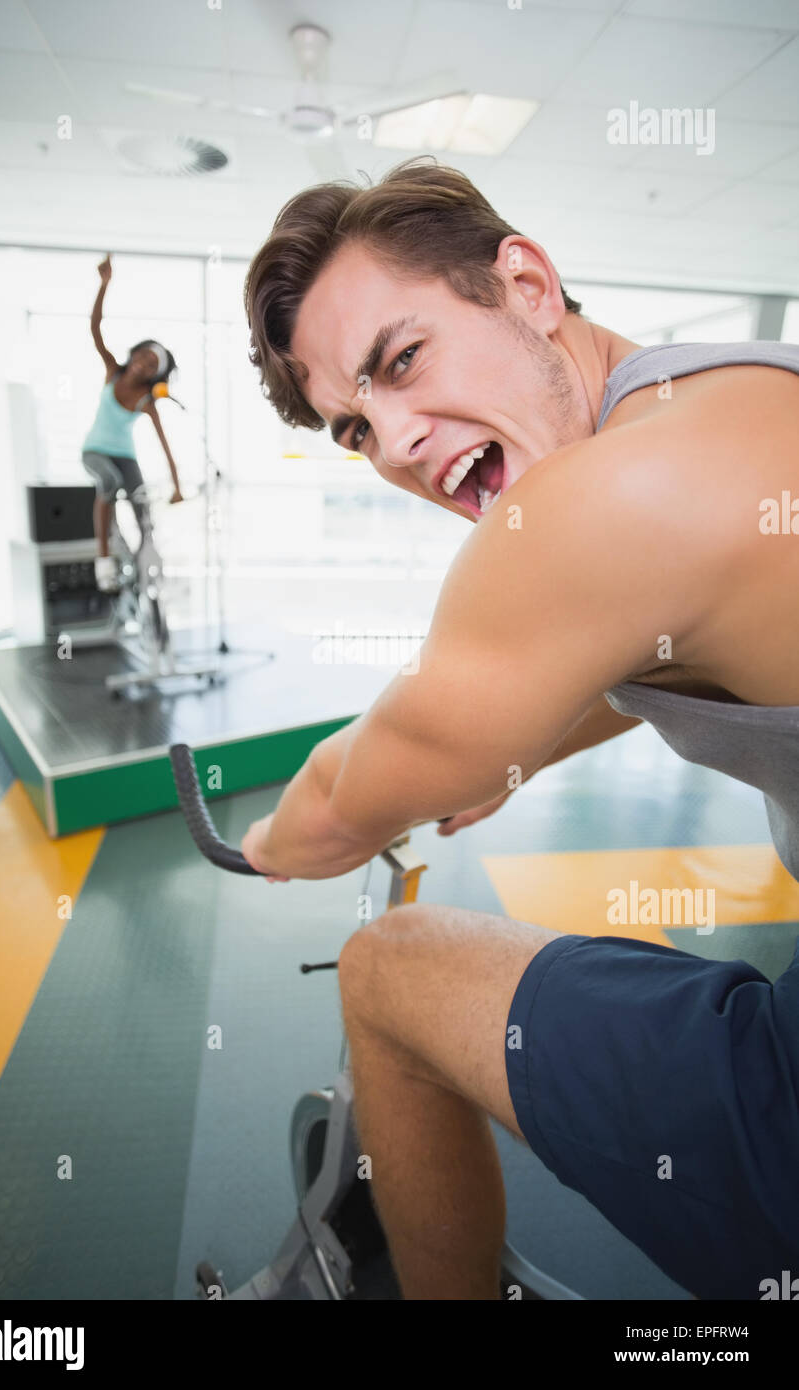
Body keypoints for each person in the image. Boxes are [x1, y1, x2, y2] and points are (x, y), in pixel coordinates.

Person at [238, 158, 799, 1300]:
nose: (392, 441)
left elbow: (341, 803)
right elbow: (674, 637)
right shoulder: (726, 404)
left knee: (384, 969)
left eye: (400, 361)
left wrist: (257, 844)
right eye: (354, 428)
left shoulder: (592, 507)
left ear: (528, 285)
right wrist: (525, 743)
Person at [82, 254, 183, 592]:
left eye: (151, 363)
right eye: (143, 355)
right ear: (134, 353)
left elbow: (164, 444)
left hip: (125, 454)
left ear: (157, 373)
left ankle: (149, 558)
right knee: (108, 484)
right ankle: (104, 559)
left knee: (141, 503)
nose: (142, 363)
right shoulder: (113, 371)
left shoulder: (147, 401)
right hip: (96, 450)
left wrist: (177, 485)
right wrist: (104, 284)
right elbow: (95, 328)